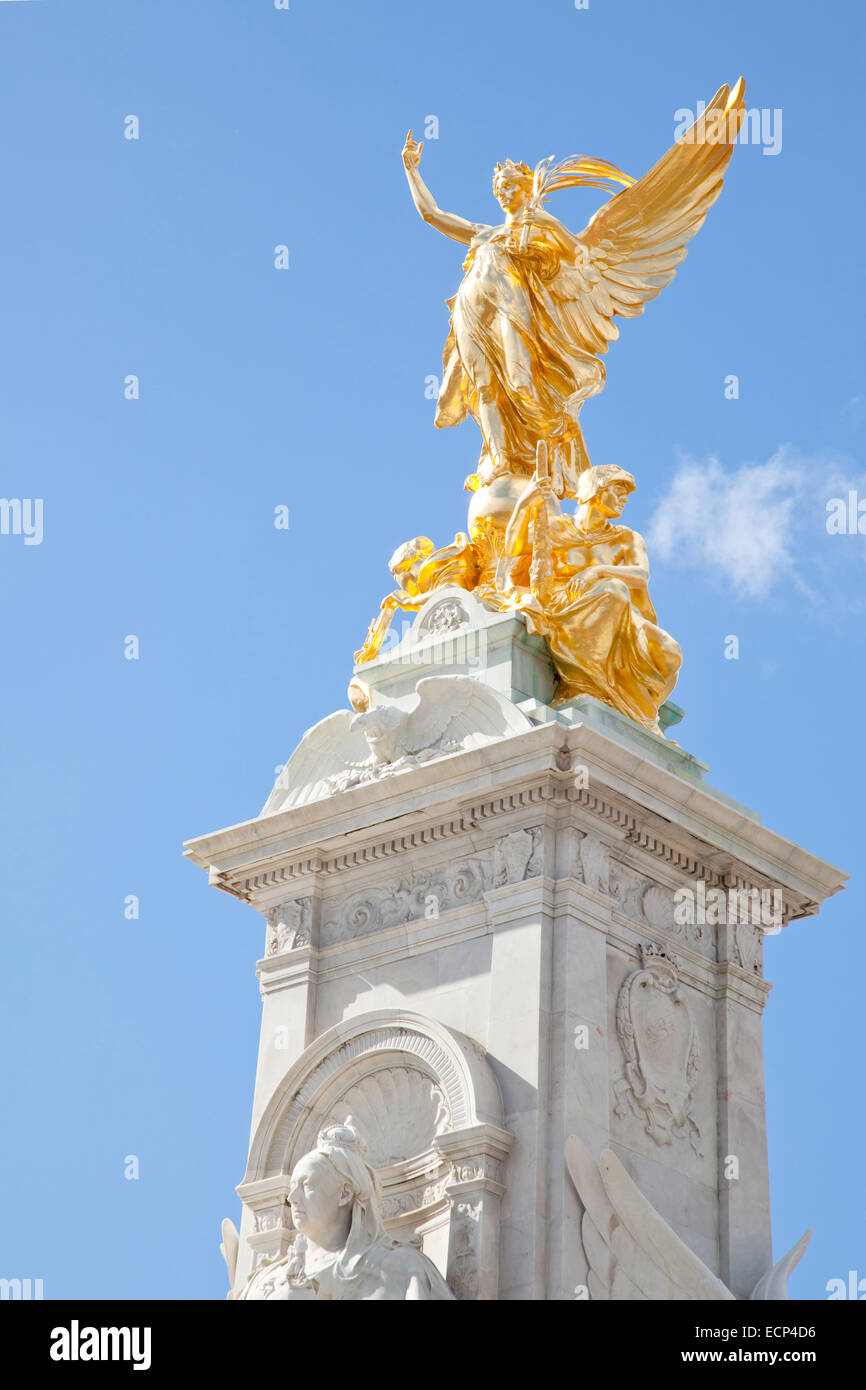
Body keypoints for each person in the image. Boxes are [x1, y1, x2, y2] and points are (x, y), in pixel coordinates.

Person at [235, 1125, 454, 1301]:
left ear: (345, 1193)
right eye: (293, 1186)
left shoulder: (403, 1269)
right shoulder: (266, 1282)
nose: (292, 1197)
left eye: (307, 1185)